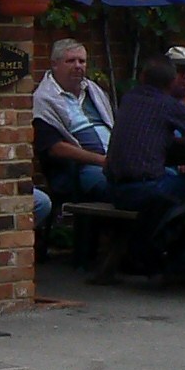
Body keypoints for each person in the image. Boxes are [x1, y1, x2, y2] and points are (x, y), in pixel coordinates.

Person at [100, 45, 185, 275]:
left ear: (142, 77)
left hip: (113, 189)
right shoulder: (169, 106)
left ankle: (169, 259)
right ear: (172, 82)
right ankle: (182, 262)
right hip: (146, 191)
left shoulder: (130, 98)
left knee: (180, 193)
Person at [30, 38, 115, 239]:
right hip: (78, 169)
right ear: (54, 64)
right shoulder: (44, 100)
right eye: (71, 61)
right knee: (128, 190)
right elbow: (55, 148)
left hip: (113, 160)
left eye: (82, 61)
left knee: (159, 176)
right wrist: (101, 160)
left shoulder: (94, 91)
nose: (78, 66)